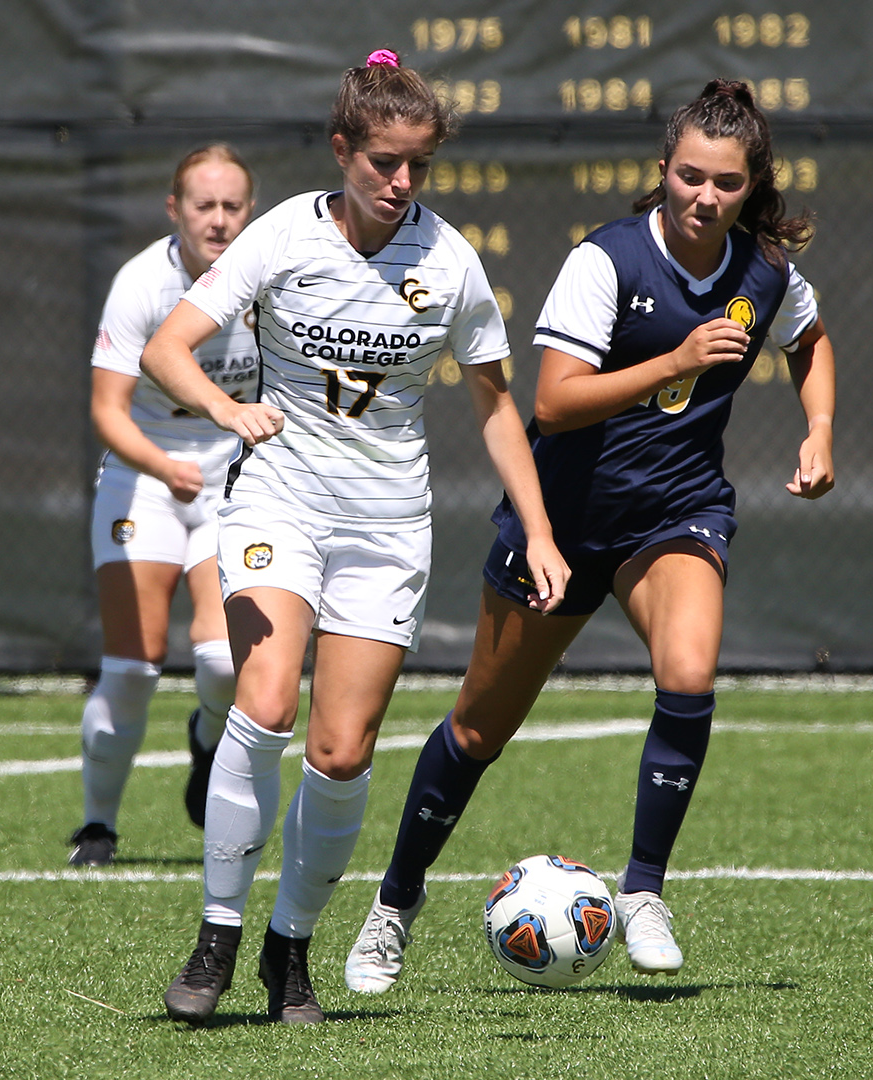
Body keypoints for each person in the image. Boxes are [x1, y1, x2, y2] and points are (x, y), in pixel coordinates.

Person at [342, 79, 837, 993]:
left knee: (688, 674)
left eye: (726, 184)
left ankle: (645, 890)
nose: (704, 197)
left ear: (750, 185)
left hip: (675, 514)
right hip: (558, 528)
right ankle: (393, 906)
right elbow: (553, 403)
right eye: (689, 176)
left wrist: (819, 431)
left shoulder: (765, 272)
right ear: (663, 171)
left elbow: (808, 339)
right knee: (478, 730)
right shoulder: (606, 262)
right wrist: (677, 362)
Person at [144, 49, 569, 1026]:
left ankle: (287, 950)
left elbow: (499, 408)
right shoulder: (281, 236)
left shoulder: (452, 262)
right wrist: (224, 407)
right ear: (342, 150)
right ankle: (216, 935)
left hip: (385, 529)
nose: (401, 181)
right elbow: (168, 350)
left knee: (340, 753)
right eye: (383, 160)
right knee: (264, 701)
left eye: (418, 163)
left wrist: (539, 531)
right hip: (279, 504)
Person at [67, 145, 259, 867]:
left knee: (221, 660)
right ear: (173, 209)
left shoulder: (265, 279)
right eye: (203, 206)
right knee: (134, 666)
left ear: (250, 211)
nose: (217, 220)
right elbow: (108, 410)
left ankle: (208, 740)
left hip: (232, 479)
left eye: (232, 206)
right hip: (144, 476)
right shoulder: (142, 283)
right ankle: (97, 826)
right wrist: (163, 465)